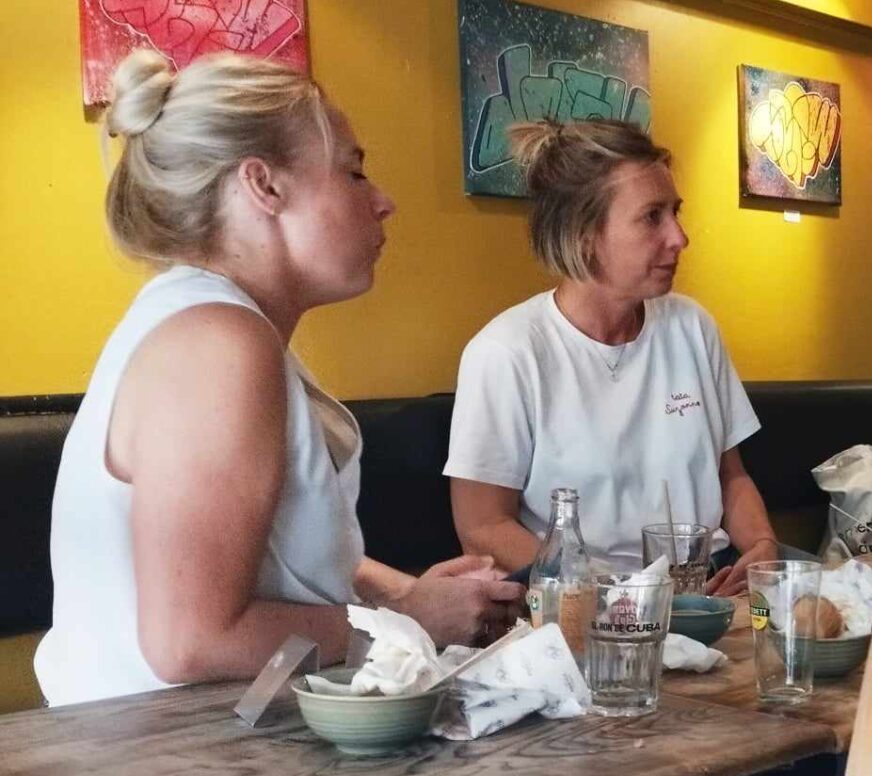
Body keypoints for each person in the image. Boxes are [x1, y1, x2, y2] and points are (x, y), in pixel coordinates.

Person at [37, 51, 520, 709]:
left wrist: (405, 594)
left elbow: (267, 557)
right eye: (353, 171)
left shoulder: (213, 323)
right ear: (263, 186)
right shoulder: (218, 345)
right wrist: (412, 625)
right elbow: (191, 639)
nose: (383, 201)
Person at [446, 120, 777, 595]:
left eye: (676, 212)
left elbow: (732, 477)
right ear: (584, 234)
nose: (680, 237)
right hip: (580, 598)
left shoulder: (692, 327)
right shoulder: (506, 352)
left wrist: (762, 546)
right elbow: (482, 526)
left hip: (709, 585)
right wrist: (609, 591)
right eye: (652, 217)